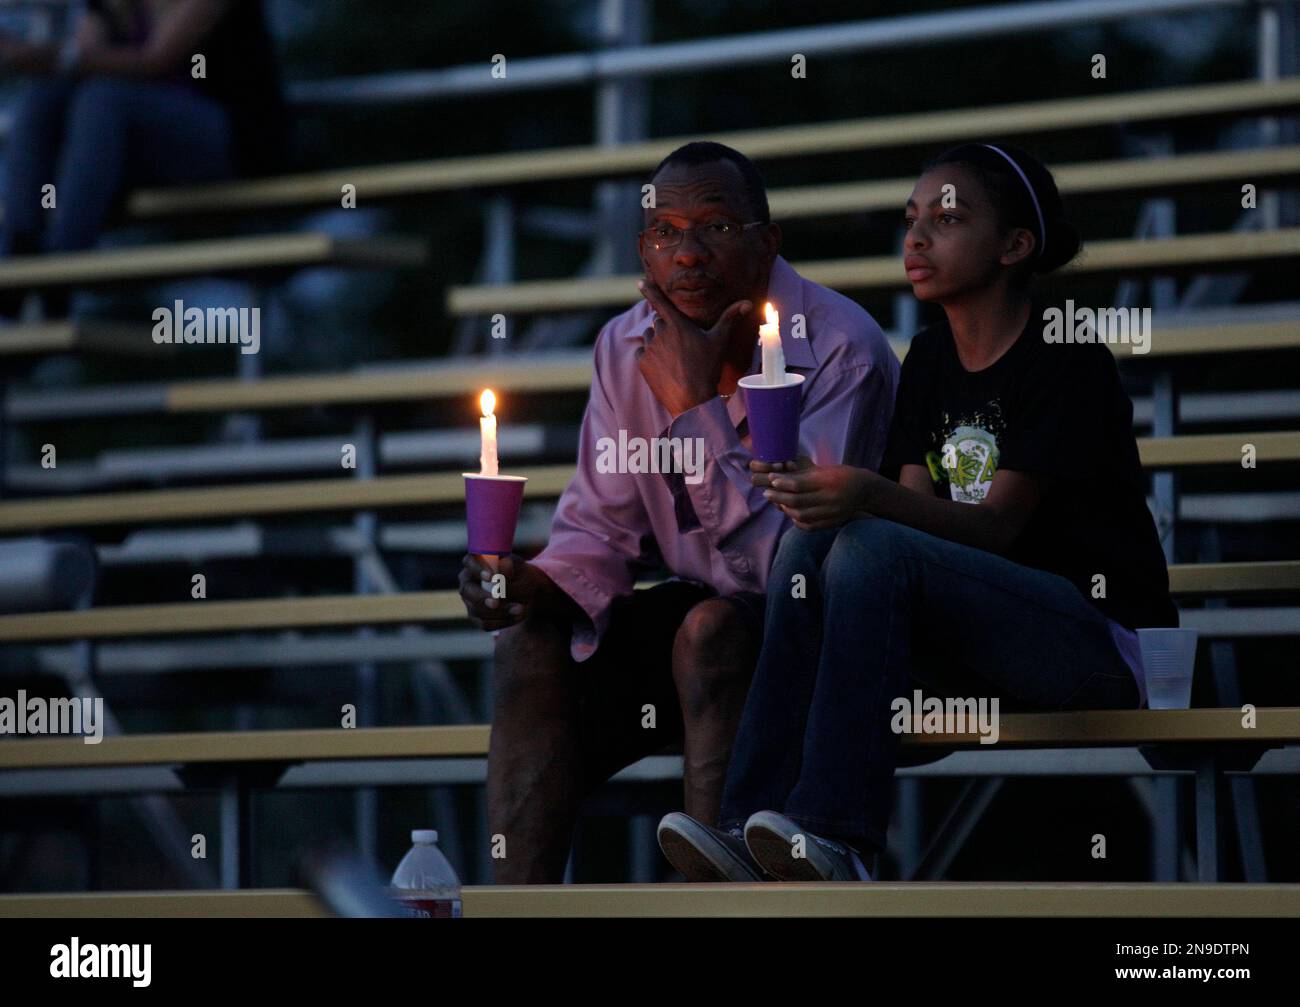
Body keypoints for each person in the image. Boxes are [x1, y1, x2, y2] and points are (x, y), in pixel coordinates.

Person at [657, 142, 1178, 883]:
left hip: (1093, 645)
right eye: (911, 218)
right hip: (979, 644)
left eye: (948, 217)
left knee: (865, 538)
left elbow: (996, 529)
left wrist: (861, 493)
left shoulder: (1067, 355)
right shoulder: (930, 359)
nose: (918, 236)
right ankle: (750, 819)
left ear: (1015, 245)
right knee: (814, 544)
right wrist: (826, 498)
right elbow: (908, 512)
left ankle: (839, 833)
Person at [458, 141, 899, 883]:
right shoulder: (623, 345)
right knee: (530, 642)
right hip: (698, 622)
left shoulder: (839, 349)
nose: (687, 255)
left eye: (716, 228)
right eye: (665, 232)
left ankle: (711, 899)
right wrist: (528, 582)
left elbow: (791, 564)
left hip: (817, 635)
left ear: (769, 241)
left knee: (711, 630)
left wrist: (697, 408)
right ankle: (515, 908)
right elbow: (600, 530)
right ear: (642, 250)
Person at [0, 0, 285, 316]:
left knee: (103, 98)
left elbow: (155, 60)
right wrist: (41, 58)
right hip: (141, 149)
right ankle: (20, 248)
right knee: (46, 93)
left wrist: (41, 55)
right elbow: (81, 55)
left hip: (230, 144)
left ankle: (62, 265)